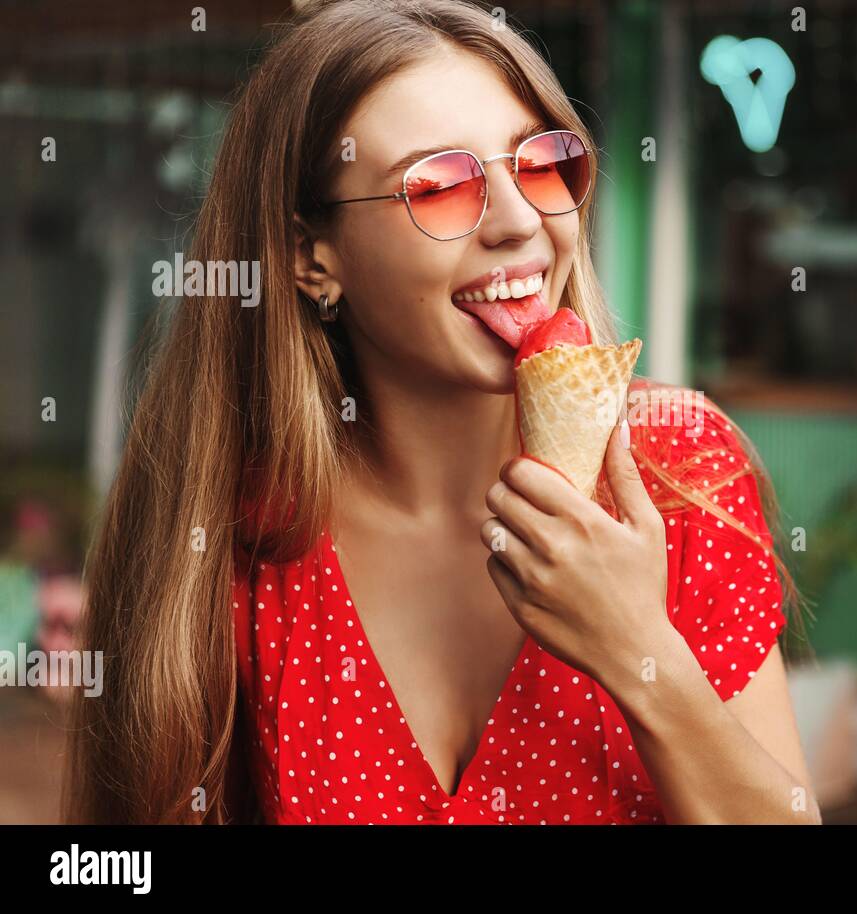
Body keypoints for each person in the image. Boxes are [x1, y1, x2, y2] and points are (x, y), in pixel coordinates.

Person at [65, 0, 816, 825]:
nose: (523, 222)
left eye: (540, 164)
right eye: (441, 186)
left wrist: (639, 650)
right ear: (309, 257)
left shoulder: (680, 467)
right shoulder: (226, 534)